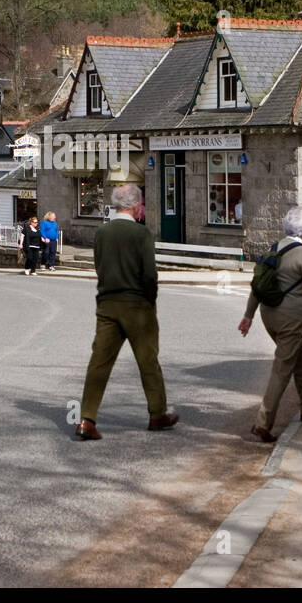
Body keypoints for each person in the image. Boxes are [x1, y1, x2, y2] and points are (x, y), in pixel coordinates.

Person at [75, 183, 177, 440]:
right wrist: (150, 301)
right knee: (147, 361)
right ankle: (157, 414)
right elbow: (149, 275)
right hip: (137, 305)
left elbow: (99, 266)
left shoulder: (102, 233)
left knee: (99, 362)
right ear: (135, 205)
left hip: (107, 304)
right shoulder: (142, 234)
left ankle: (86, 418)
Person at [238, 206, 302, 442]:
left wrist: (249, 315)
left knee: (300, 353)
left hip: (269, 315)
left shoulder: (273, 248)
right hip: (291, 318)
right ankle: (262, 424)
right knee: (282, 368)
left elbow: (258, 285)